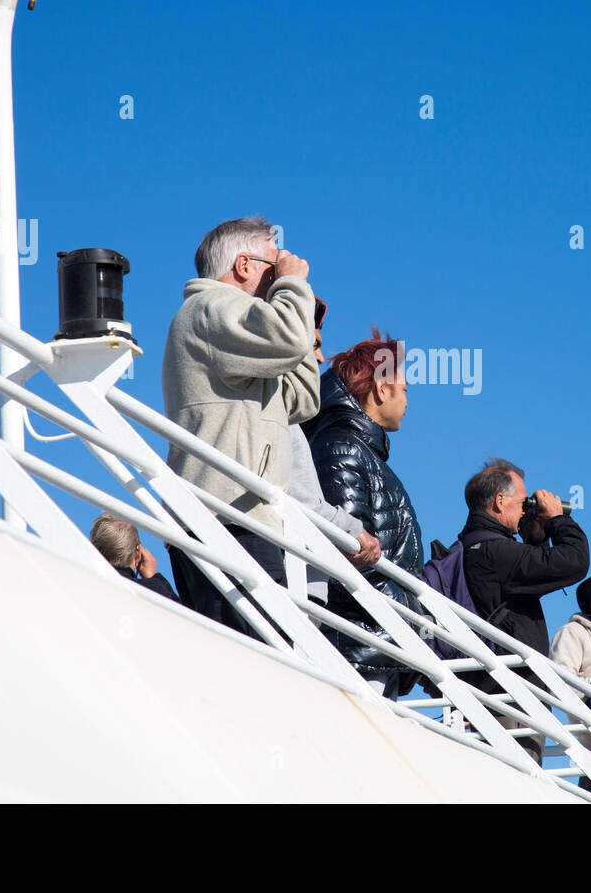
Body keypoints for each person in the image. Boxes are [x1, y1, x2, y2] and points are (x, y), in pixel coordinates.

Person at [161, 215, 319, 632]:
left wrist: (296, 311)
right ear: (244, 266)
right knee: (254, 662)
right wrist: (292, 288)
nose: (280, 270)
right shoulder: (211, 308)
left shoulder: (236, 326)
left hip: (242, 519)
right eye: (273, 263)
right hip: (228, 518)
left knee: (263, 658)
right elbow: (288, 340)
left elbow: (301, 400)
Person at [304, 328, 424, 698]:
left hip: (377, 645)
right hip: (360, 645)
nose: (407, 399)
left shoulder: (360, 451)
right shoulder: (342, 447)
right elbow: (350, 554)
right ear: (380, 389)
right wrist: (403, 618)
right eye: (403, 389)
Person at [458, 457, 590, 764]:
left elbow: (530, 568)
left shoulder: (476, 546)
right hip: (508, 697)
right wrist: (558, 520)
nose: (525, 509)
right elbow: (574, 560)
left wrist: (536, 534)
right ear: (500, 502)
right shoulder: (494, 552)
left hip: (501, 689)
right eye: (522, 502)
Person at [289, 298, 382, 605]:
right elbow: (288, 495)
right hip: (301, 591)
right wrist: (353, 531)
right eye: (313, 344)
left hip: (308, 590)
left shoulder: (294, 424)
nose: (320, 357)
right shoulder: (341, 448)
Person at [89, 513, 182, 603]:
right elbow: (185, 615)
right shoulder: (153, 591)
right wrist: (152, 577)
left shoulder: (86, 588)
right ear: (138, 554)